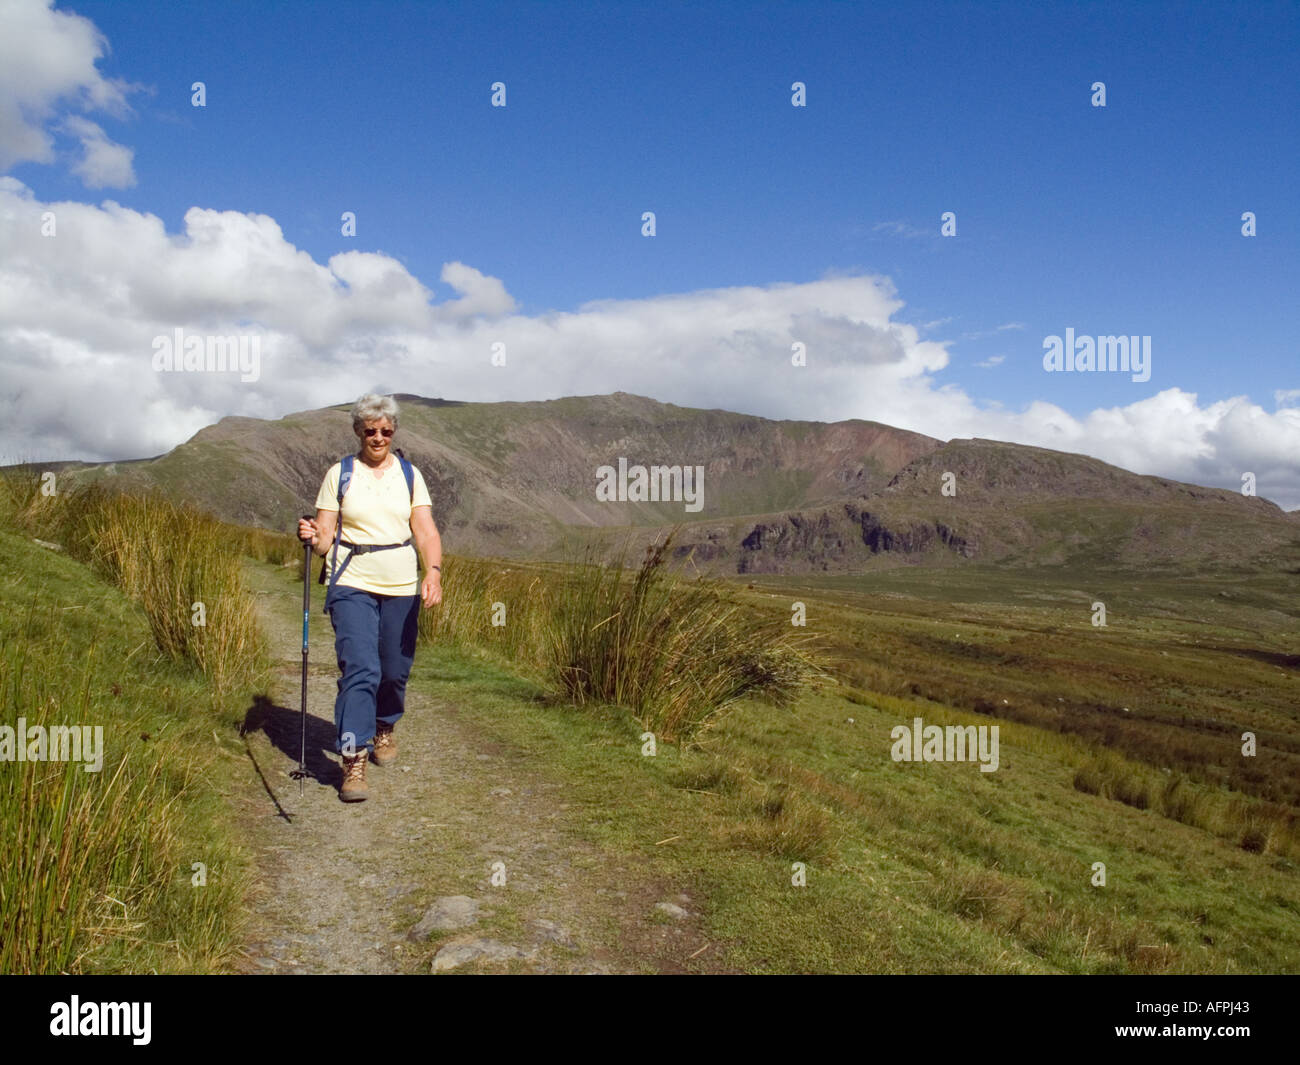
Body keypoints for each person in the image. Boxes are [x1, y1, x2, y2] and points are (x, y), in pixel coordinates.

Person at [297, 393, 442, 802]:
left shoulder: (411, 476)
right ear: (359, 431)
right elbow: (325, 539)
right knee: (360, 667)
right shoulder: (339, 474)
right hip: (351, 581)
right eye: (370, 430)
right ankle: (353, 758)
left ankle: (384, 725)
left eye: (386, 430)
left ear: (393, 432)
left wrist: (433, 571)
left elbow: (426, 531)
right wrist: (310, 536)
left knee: (393, 671)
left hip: (400, 585)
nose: (378, 437)